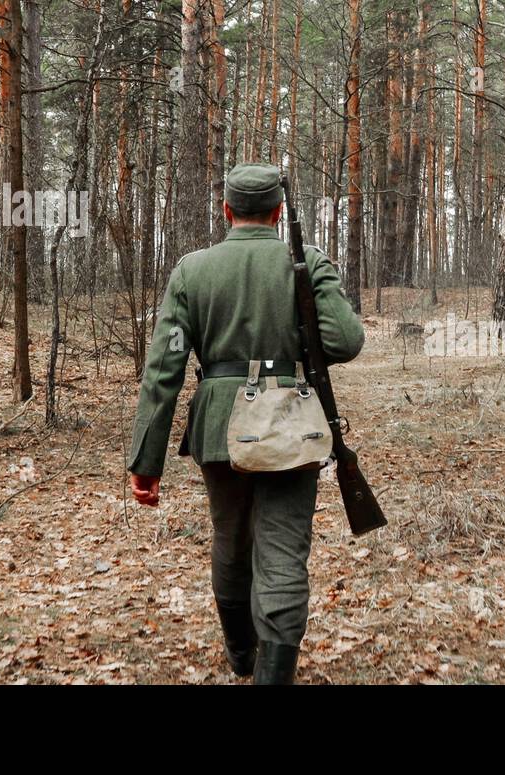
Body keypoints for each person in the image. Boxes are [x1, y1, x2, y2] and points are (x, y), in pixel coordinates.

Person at [126, 163, 365, 684]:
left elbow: (163, 370)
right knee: (283, 550)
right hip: (292, 424)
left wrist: (147, 462)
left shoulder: (192, 270)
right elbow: (346, 340)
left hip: (218, 426)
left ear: (227, 210)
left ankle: (241, 658)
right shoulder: (308, 262)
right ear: (278, 213)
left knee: (230, 540)